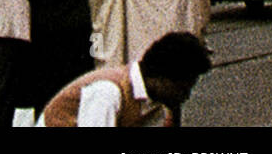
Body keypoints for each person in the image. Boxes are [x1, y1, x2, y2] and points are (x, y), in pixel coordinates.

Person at [41, 32, 212, 127]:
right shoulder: (107, 91)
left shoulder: (151, 102)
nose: (186, 97)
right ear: (161, 79)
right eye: (182, 89)